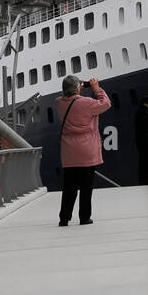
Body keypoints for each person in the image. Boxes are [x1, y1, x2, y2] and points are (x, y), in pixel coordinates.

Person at [55, 75, 111, 226]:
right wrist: (96, 88)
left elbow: (69, 97)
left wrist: (76, 88)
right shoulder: (87, 103)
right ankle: (84, 217)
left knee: (69, 187)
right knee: (86, 187)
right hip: (86, 151)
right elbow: (106, 103)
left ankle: (64, 218)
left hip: (68, 152)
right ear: (77, 89)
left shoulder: (58, 103)